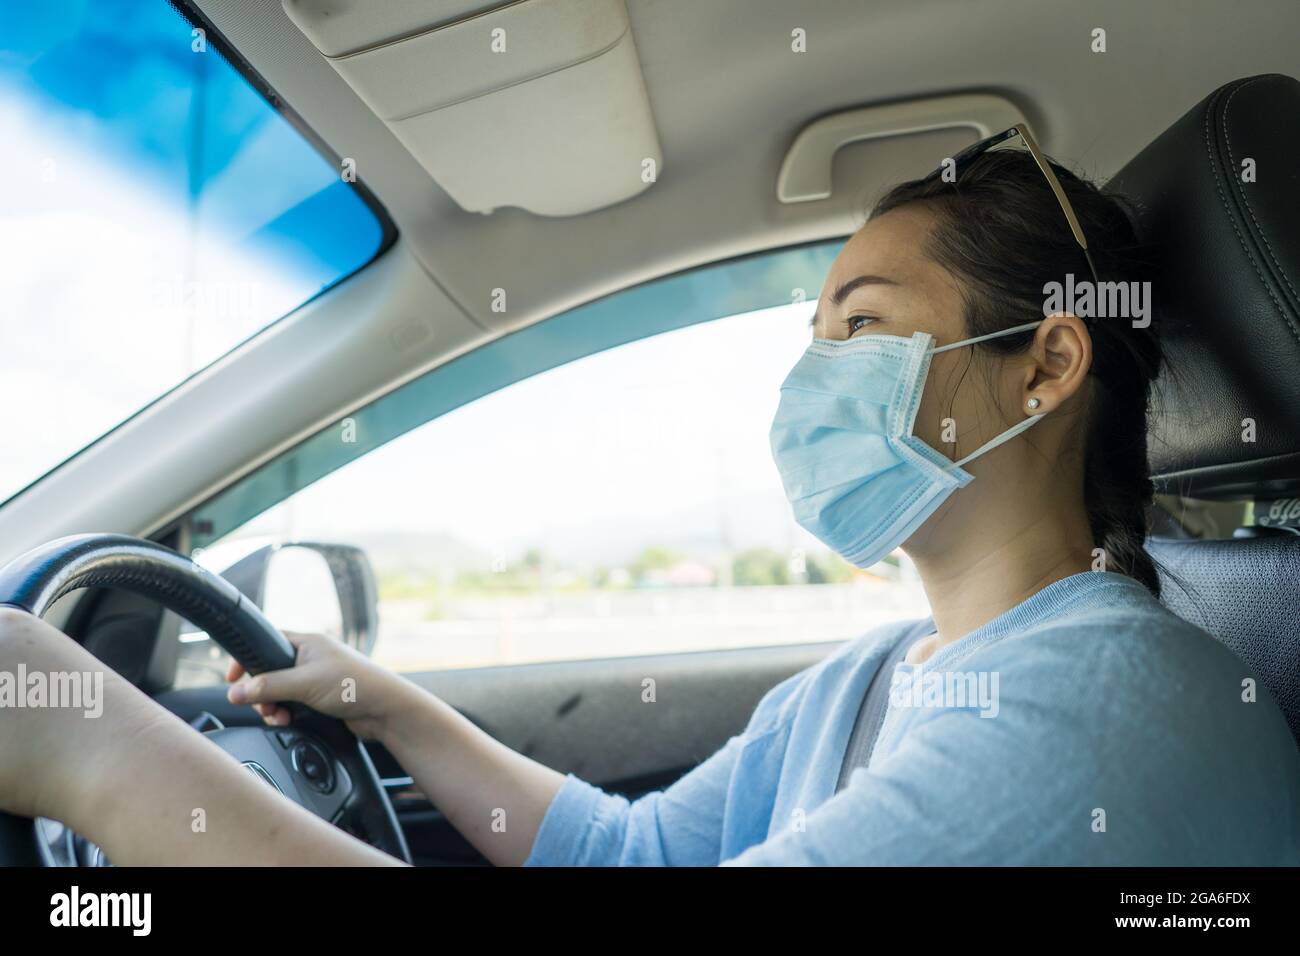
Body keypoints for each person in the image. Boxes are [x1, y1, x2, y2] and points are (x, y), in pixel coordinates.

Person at [0, 139, 1296, 865]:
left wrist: (103, 762)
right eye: (815, 333)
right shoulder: (880, 675)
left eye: (863, 327)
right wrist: (383, 703)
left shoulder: (1097, 712)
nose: (811, 380)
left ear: (1047, 364)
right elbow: (627, 860)